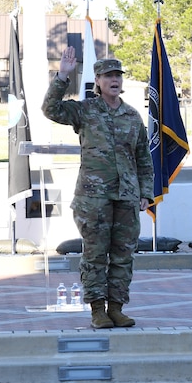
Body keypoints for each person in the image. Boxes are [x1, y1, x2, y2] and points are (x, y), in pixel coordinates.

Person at [42, 49, 152, 330]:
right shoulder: (85, 110)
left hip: (126, 197)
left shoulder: (131, 115)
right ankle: (97, 310)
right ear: (98, 81)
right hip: (94, 198)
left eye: (117, 75)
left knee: (123, 254)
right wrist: (63, 75)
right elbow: (50, 110)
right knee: (94, 254)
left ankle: (116, 308)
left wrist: (146, 192)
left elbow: (143, 158)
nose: (114, 80)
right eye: (108, 76)